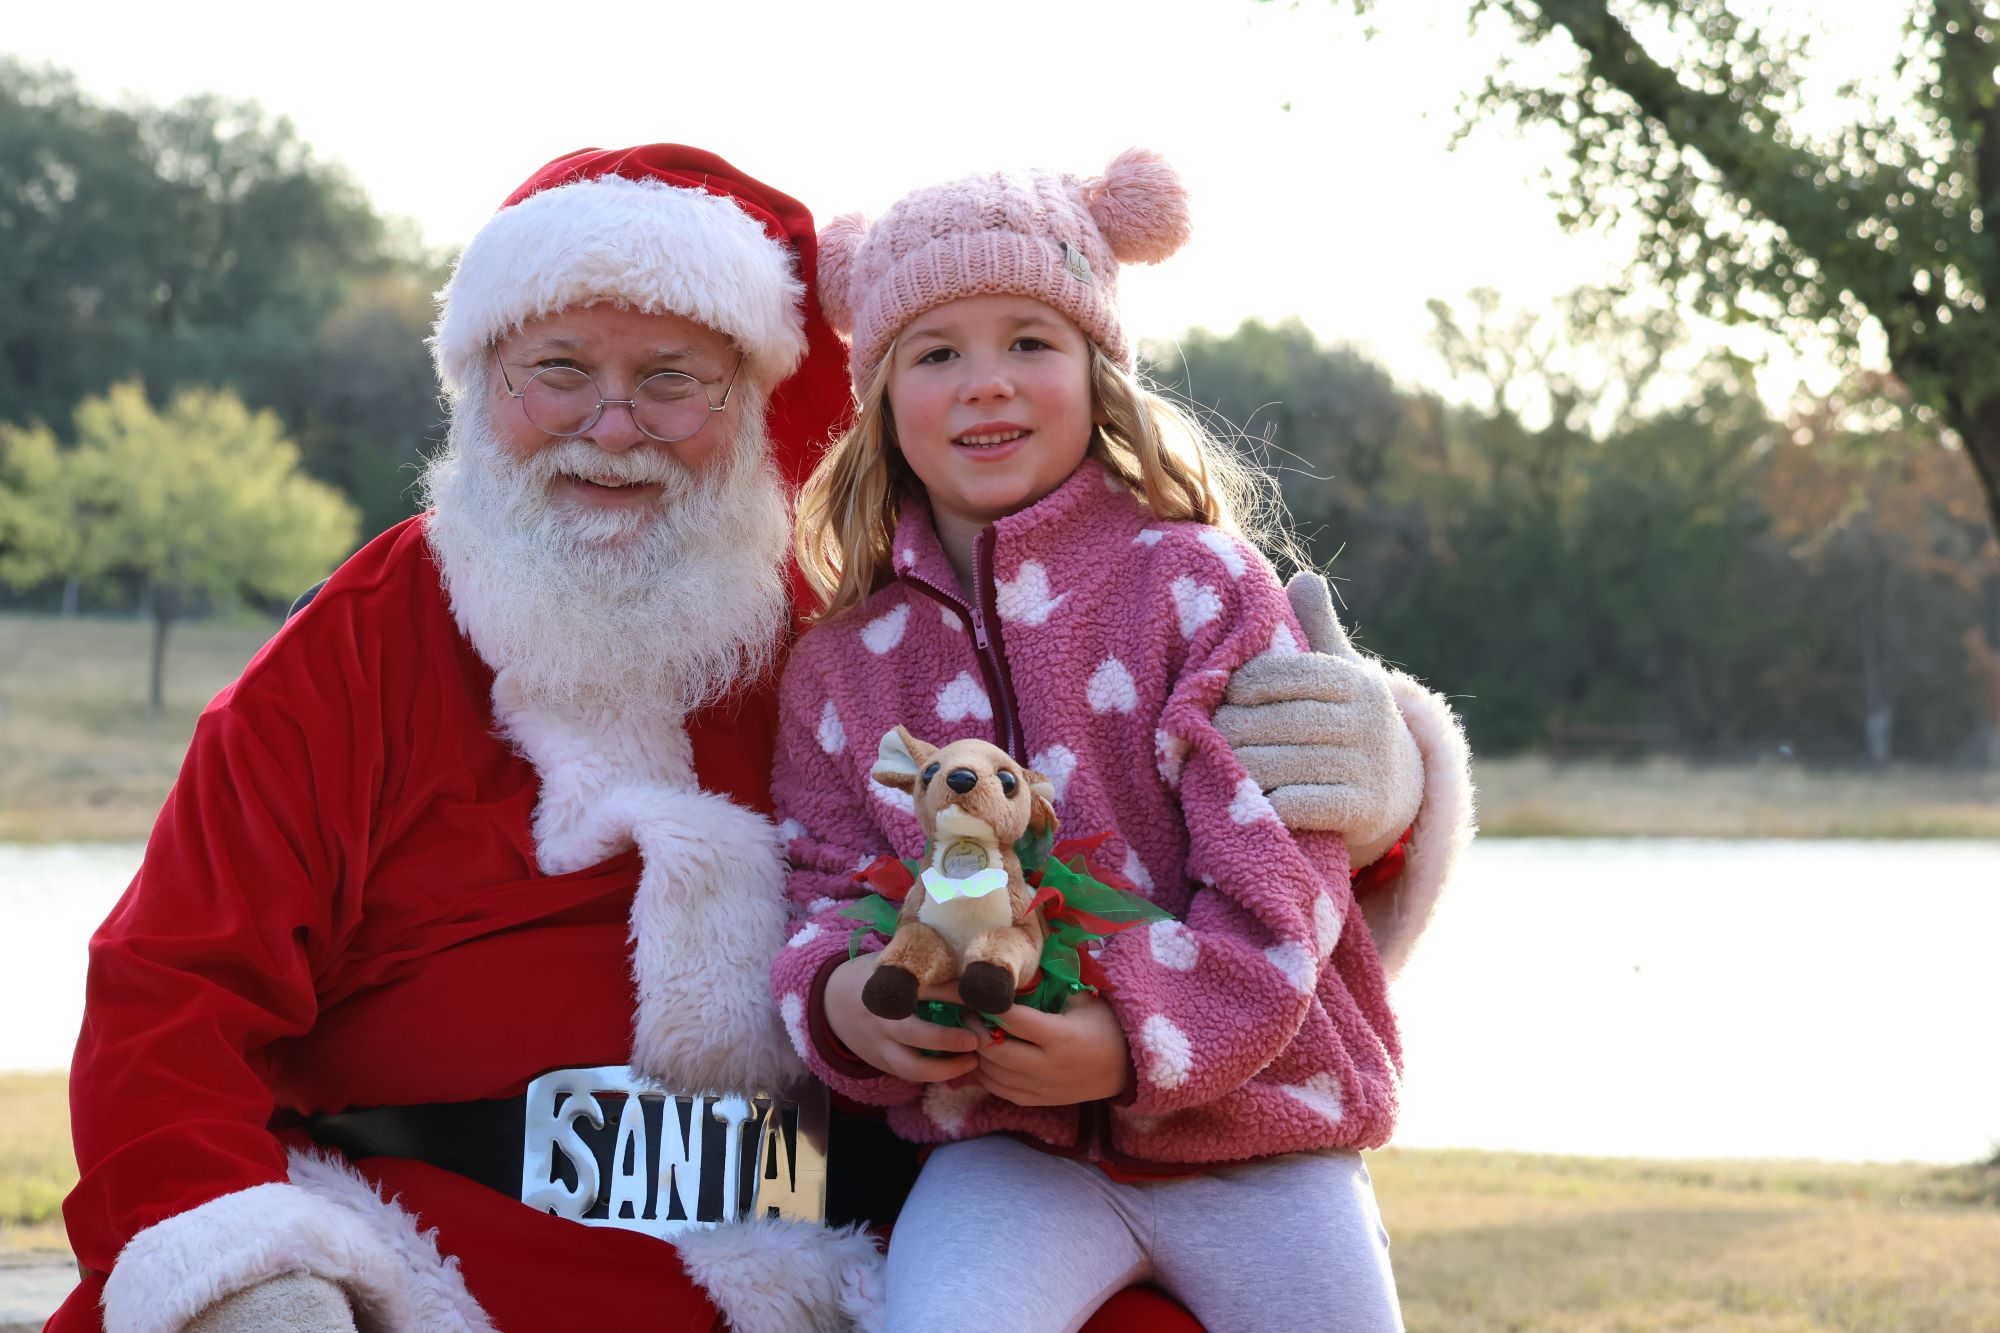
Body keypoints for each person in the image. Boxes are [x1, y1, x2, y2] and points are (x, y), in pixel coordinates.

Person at [53, 144, 1464, 1333]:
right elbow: (172, 990)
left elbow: (1150, 832)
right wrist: (237, 1265)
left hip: (852, 1253)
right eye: (559, 368)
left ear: (755, 408)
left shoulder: (859, 633)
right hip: (445, 1262)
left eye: (673, 376)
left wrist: (1385, 778)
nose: (613, 427)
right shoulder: (368, 639)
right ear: (481, 384)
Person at [769, 150, 1471, 1332]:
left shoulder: (1197, 589)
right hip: (1007, 1153)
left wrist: (1125, 1035)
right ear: (882, 395)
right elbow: (820, 886)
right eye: (937, 352)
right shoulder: (845, 661)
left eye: (1028, 341)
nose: (985, 383)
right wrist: (849, 1005)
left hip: (1261, 1136)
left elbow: (1280, 879)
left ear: (1098, 370)